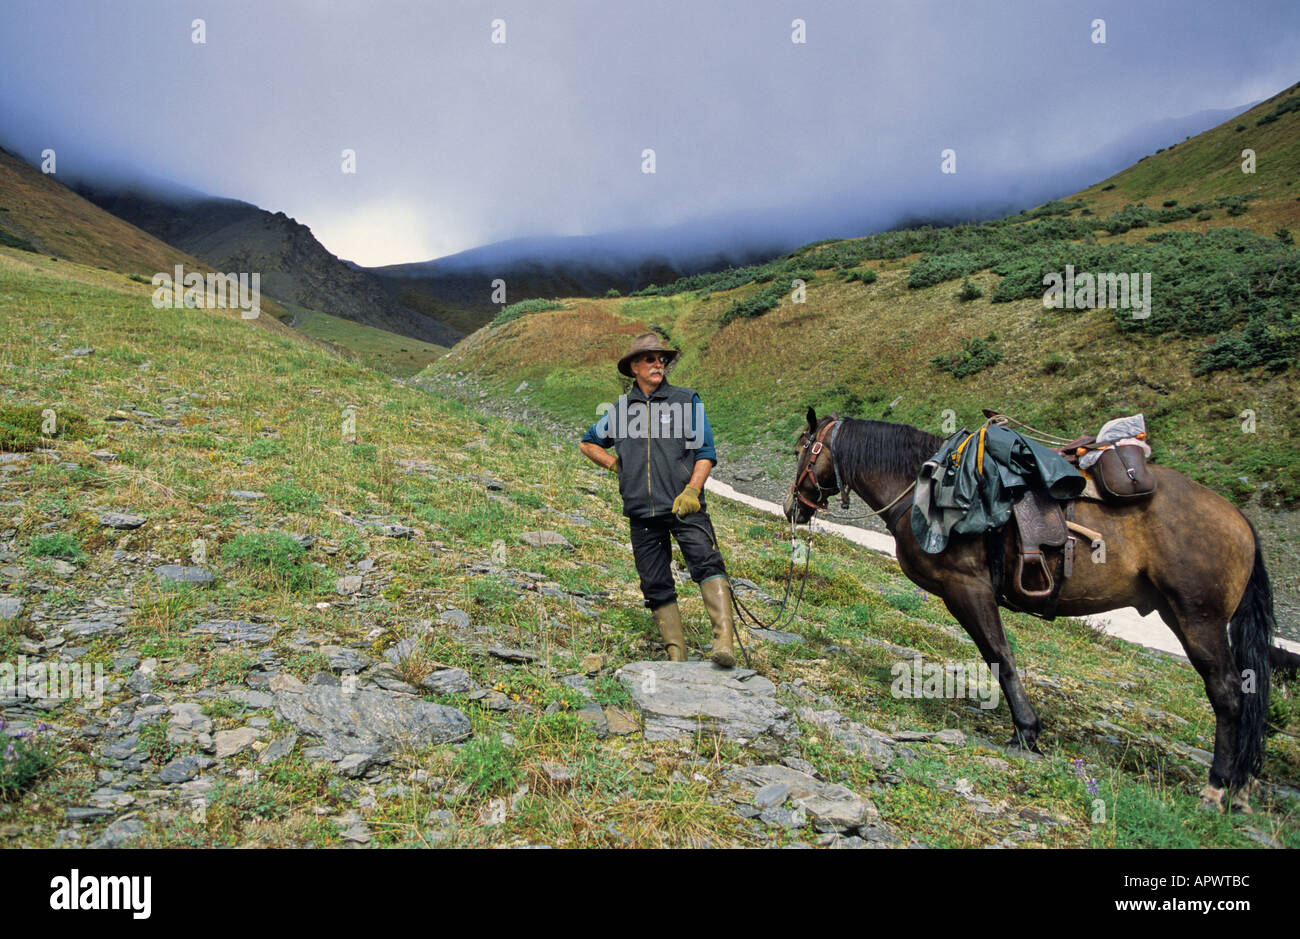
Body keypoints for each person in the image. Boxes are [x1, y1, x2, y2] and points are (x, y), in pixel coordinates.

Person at [578, 332, 736, 667]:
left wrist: (692, 490)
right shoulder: (621, 411)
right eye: (650, 359)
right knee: (654, 582)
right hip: (641, 509)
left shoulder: (686, 400)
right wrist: (615, 464)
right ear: (634, 366)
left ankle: (723, 644)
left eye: (662, 359)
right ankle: (675, 655)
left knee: (707, 564)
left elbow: (705, 452)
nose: (658, 364)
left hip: (684, 505)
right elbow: (588, 442)